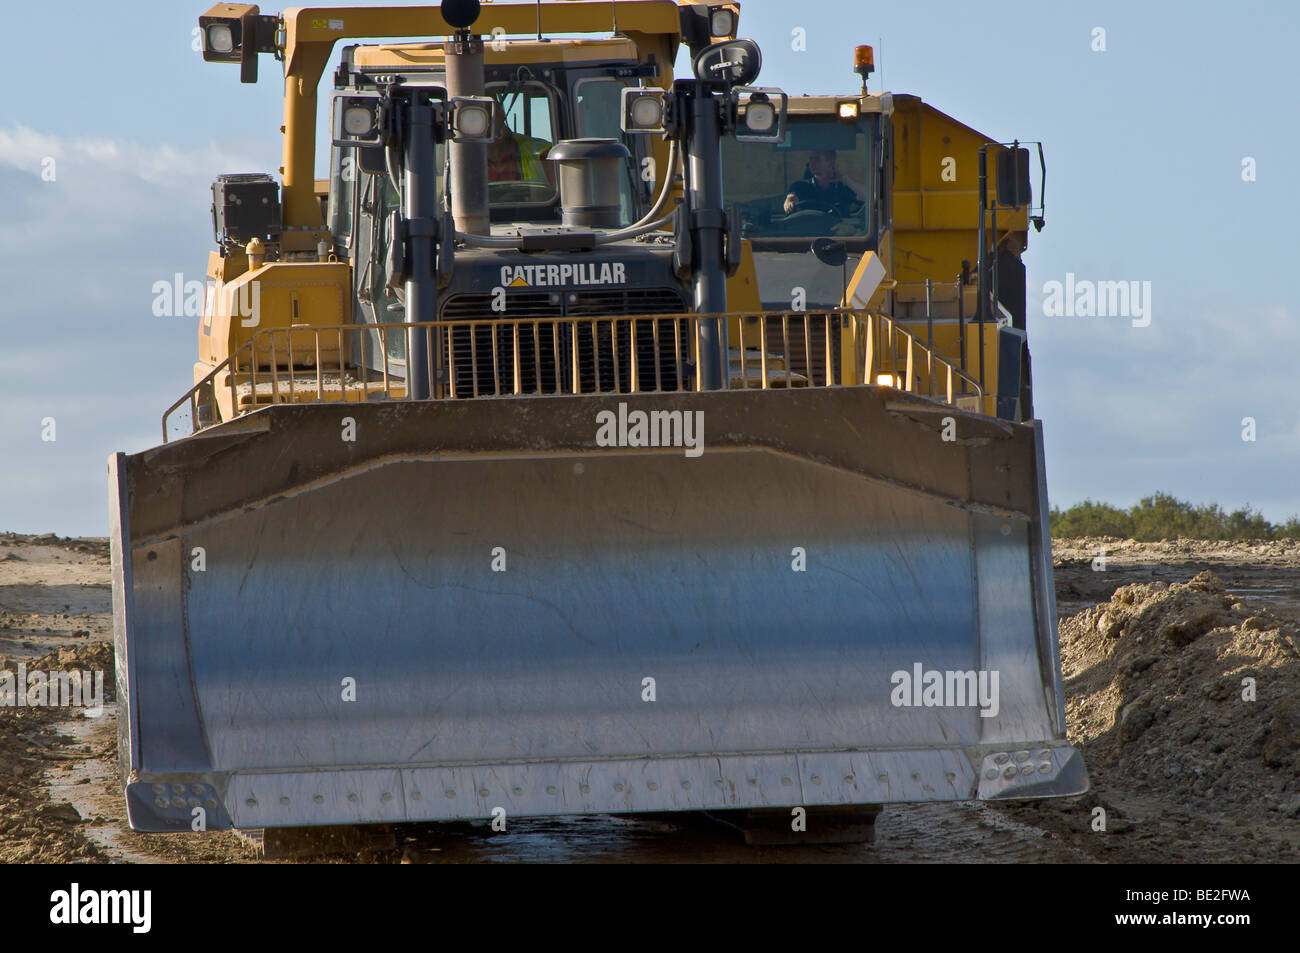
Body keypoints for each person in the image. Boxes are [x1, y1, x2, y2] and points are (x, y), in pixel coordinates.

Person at [783, 150, 865, 215]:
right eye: (811, 159)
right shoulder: (800, 186)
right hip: (808, 233)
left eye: (817, 159)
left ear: (830, 163)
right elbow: (791, 197)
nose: (812, 162)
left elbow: (867, 197)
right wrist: (789, 202)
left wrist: (845, 180)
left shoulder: (842, 187)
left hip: (840, 234)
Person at [486, 116, 552, 185]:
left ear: (501, 112)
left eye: (490, 112)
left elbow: (561, 191)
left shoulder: (547, 154)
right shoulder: (474, 162)